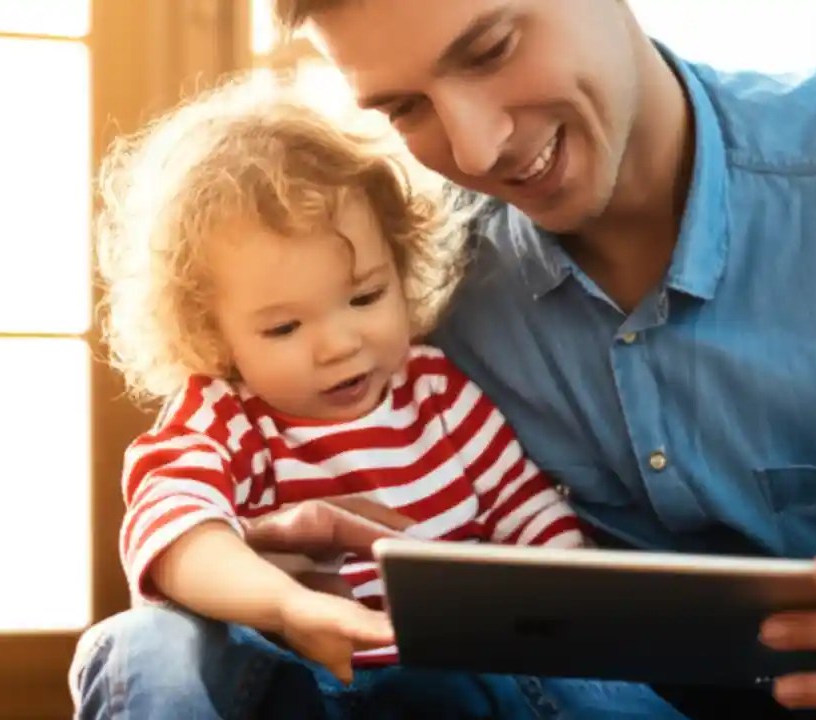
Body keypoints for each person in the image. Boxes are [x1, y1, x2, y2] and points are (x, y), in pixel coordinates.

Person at [74, 0, 816, 717]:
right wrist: (270, 580)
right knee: (150, 643)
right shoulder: (411, 275)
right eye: (404, 108)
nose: (475, 149)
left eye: (491, 47)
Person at [76, 70, 687, 719]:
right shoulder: (226, 417)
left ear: (402, 266)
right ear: (211, 334)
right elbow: (173, 527)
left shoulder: (436, 391)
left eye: (365, 296)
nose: (339, 344)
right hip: (303, 685)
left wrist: (569, 623)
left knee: (596, 682)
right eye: (284, 328)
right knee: (138, 644)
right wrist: (289, 606)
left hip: (457, 675)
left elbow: (533, 522)